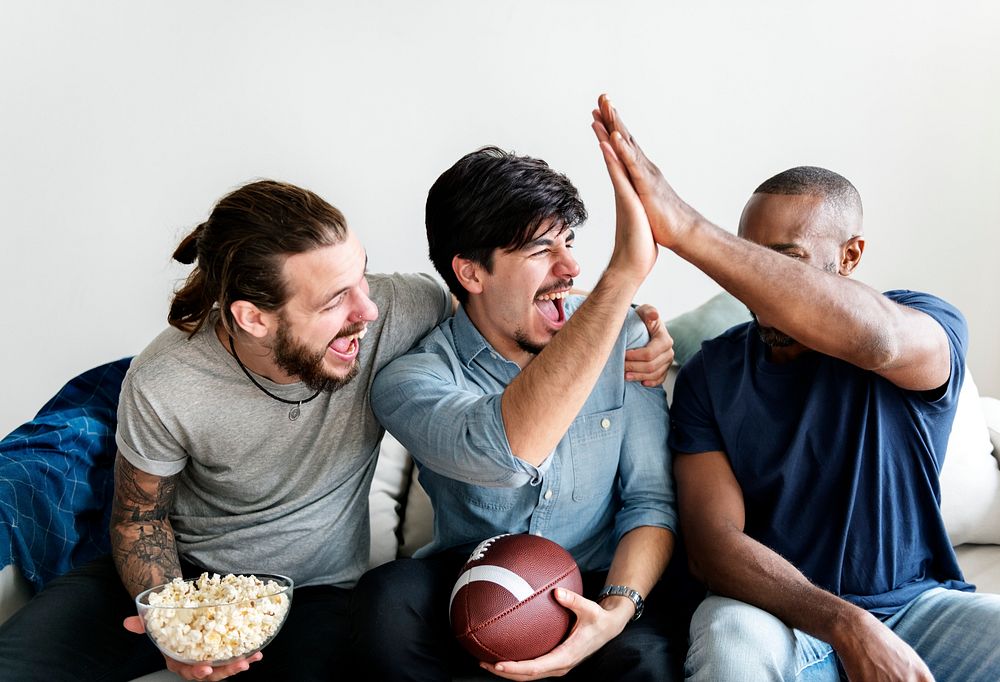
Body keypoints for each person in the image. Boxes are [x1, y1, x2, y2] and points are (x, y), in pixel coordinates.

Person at [0, 179, 671, 682]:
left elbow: (505, 320)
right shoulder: (168, 379)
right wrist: (177, 621)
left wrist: (631, 328)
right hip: (192, 577)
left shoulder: (404, 308)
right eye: (333, 302)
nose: (368, 311)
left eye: (362, 277)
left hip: (316, 592)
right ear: (253, 318)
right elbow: (140, 516)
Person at [592, 94, 1000, 680]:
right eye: (748, 260)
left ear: (851, 255)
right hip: (773, 615)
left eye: (784, 262)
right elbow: (713, 545)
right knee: (730, 640)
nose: (760, 286)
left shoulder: (923, 325)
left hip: (918, 610)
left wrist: (686, 227)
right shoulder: (712, 373)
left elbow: (877, 341)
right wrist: (846, 624)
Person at [351, 143, 687, 682]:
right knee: (387, 603)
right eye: (539, 250)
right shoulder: (412, 381)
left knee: (648, 660)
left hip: (600, 575)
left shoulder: (624, 336)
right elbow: (508, 453)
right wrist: (621, 275)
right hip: (476, 578)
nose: (572, 268)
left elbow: (650, 500)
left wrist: (616, 611)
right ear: (471, 273)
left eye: (570, 243)